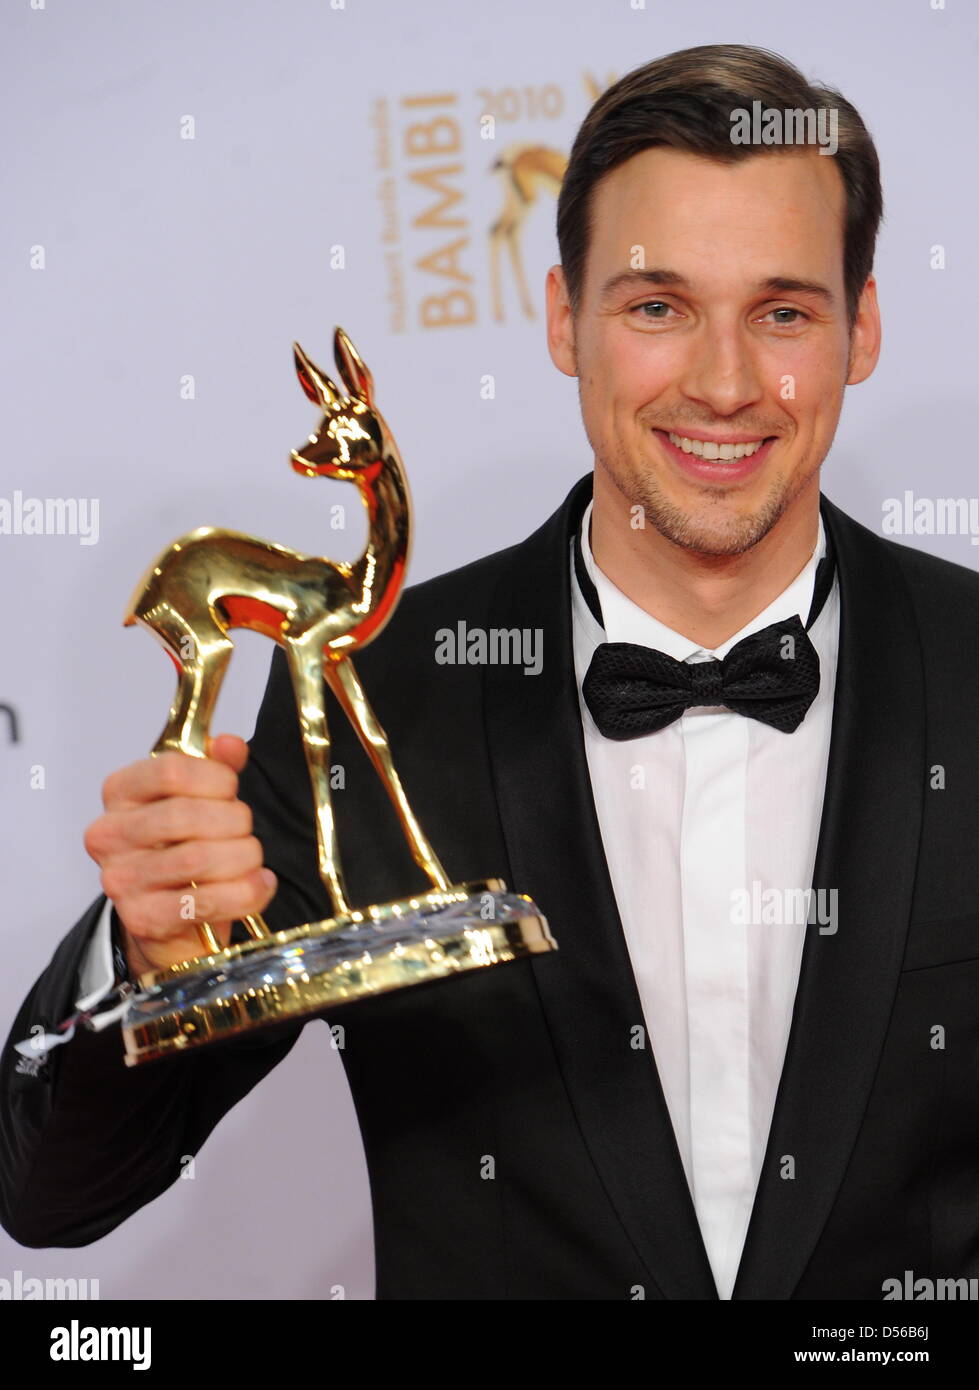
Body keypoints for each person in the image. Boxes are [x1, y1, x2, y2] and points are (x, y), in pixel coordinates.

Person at [3, 42, 978, 1301]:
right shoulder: (380, 695)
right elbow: (50, 1195)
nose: (725, 383)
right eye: (656, 306)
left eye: (782, 310)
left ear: (864, 329)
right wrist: (149, 960)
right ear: (566, 321)